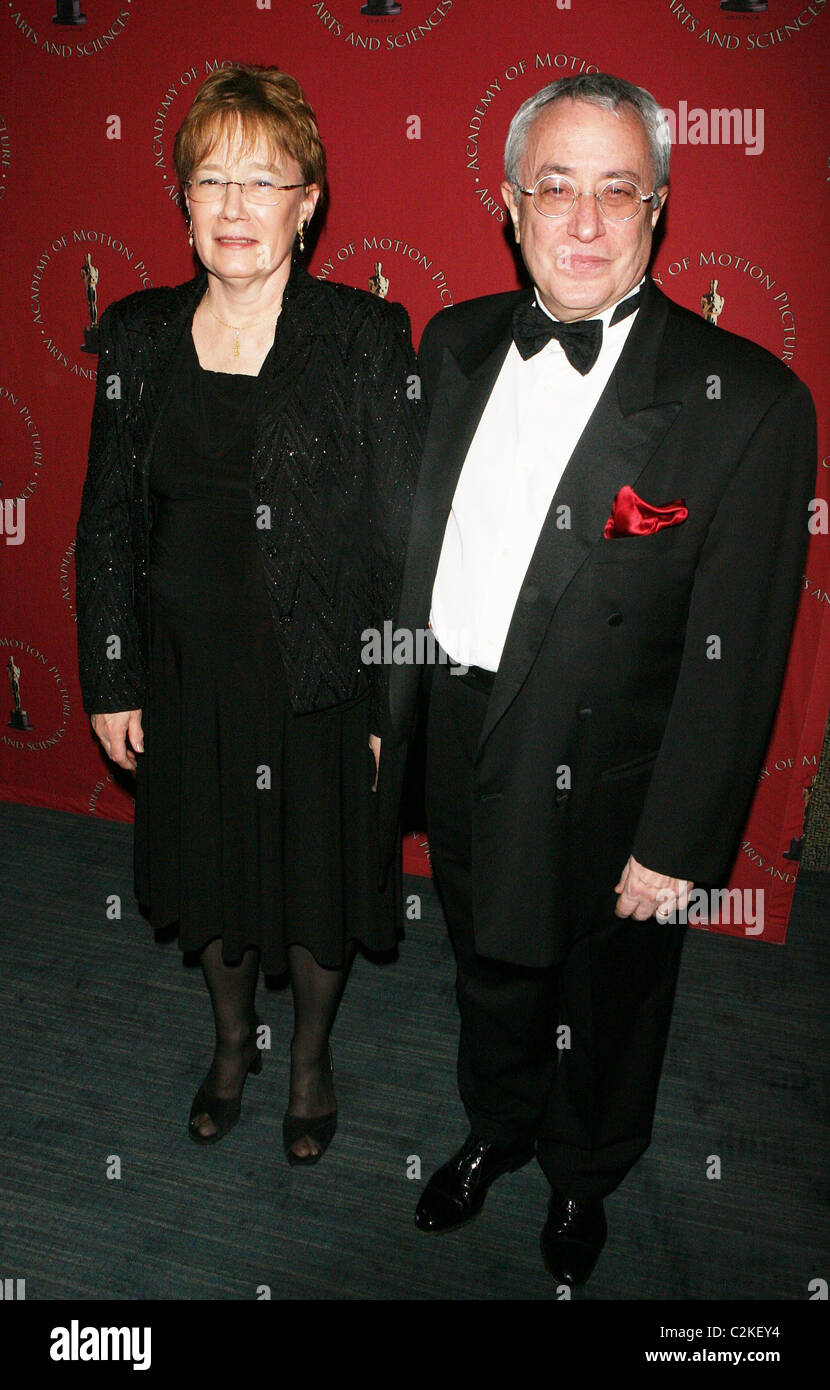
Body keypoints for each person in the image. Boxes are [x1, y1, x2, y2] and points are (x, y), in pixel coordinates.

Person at [377, 72, 817, 1285]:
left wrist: (679, 842)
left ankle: (585, 1173)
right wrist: (390, 713)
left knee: (607, 994)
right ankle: (495, 1126)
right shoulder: (454, 341)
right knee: (487, 959)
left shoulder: (749, 404)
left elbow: (737, 662)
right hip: (460, 726)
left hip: (615, 772)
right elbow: (419, 561)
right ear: (508, 205)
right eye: (552, 189)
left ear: (657, 210)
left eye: (613, 192)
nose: (580, 221)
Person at [75, 64, 421, 1164]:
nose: (233, 208)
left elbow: (395, 541)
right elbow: (109, 525)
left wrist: (383, 699)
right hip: (187, 675)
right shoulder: (134, 337)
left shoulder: (366, 337)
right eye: (210, 181)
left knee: (318, 891)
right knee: (213, 882)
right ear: (181, 200)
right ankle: (231, 1046)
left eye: (262, 181)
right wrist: (112, 677)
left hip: (317, 678)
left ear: (307, 201)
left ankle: (309, 1061)